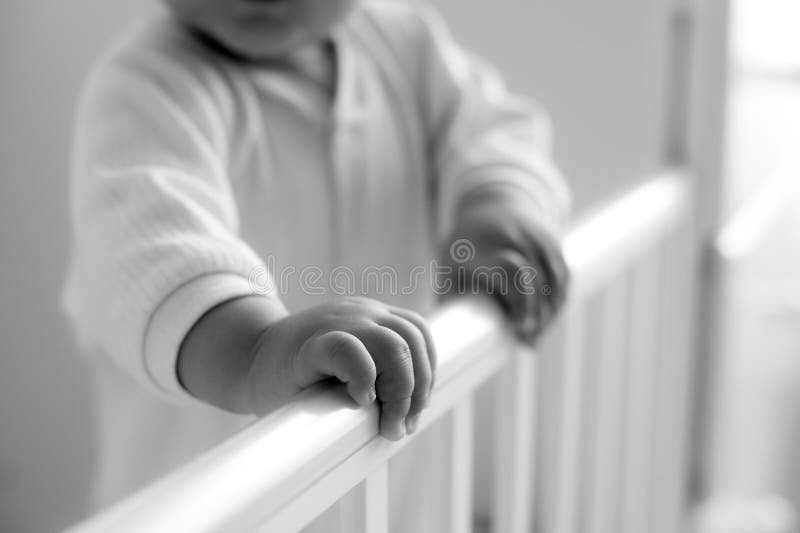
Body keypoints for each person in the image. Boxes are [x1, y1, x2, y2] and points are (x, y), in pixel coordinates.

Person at [62, 0, 571, 529]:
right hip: (199, 512)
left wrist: (494, 205)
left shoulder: (407, 49)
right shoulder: (144, 89)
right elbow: (153, 247)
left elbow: (492, 132)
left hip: (385, 505)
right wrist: (257, 351)